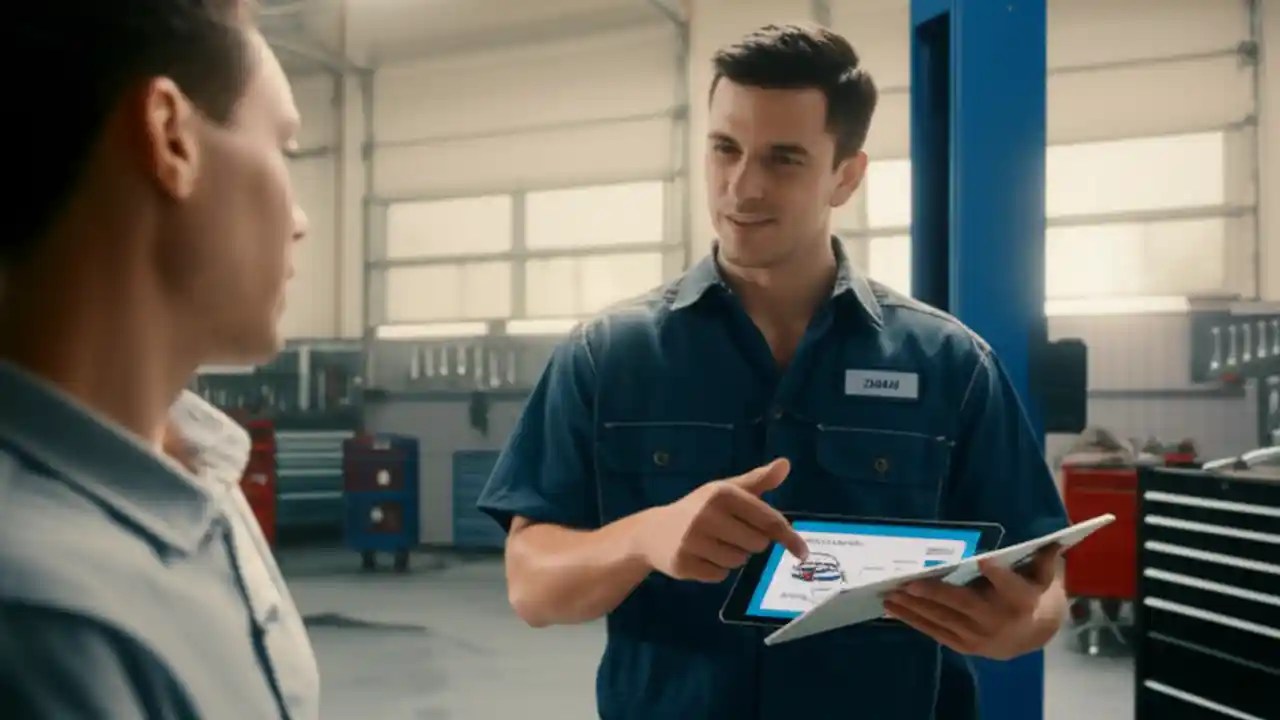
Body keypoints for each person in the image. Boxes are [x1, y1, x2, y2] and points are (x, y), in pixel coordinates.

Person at [477, 22, 1070, 720]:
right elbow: (532, 585)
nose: (742, 186)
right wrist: (645, 536)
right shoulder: (608, 358)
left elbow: (1044, 582)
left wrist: (1020, 626)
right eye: (725, 149)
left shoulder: (950, 365)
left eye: (784, 159)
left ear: (845, 174)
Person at [0, 2, 318, 718]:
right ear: (170, 135)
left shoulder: (203, 473)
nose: (301, 219)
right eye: (286, 148)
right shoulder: (45, 621)